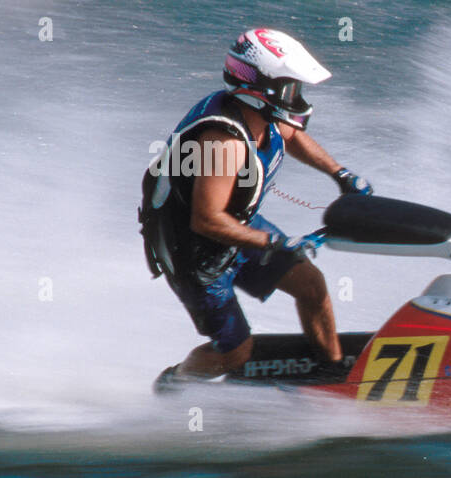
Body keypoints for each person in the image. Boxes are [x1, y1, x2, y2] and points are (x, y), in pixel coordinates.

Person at [140, 28, 373, 392]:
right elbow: (206, 220)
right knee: (235, 354)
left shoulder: (261, 115)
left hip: (238, 227)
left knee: (312, 286)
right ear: (260, 87)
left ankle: (332, 376)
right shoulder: (224, 142)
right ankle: (174, 383)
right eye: (290, 88)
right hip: (197, 255)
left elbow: (291, 135)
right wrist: (272, 243)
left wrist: (340, 175)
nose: (296, 97)